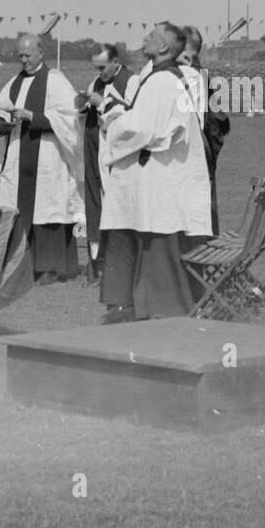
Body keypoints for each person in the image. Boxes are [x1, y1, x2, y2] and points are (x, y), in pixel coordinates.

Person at [98, 22, 211, 323]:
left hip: (156, 175)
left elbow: (143, 127)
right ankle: (129, 303)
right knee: (134, 228)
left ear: (164, 48)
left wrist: (112, 121)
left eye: (151, 36)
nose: (144, 38)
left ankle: (154, 306)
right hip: (150, 174)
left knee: (149, 233)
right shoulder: (162, 77)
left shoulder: (164, 81)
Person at [0, 33, 85, 284]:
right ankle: (20, 265)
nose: (23, 60)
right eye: (20, 56)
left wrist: (33, 117)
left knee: (48, 208)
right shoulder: (14, 82)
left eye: (27, 55)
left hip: (47, 155)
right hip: (19, 154)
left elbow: (71, 119)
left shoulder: (55, 81)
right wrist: (3, 122)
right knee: (19, 208)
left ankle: (50, 266)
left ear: (40, 53)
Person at [81, 44, 134, 276]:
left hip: (117, 153)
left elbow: (132, 115)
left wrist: (103, 103)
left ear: (115, 61)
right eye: (96, 68)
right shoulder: (95, 83)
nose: (100, 73)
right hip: (94, 148)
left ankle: (120, 260)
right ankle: (96, 261)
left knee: (117, 202)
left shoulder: (131, 81)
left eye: (103, 67)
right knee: (95, 202)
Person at [178, 26, 230, 234]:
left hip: (195, 150)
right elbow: (222, 122)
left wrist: (205, 148)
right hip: (205, 148)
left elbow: (219, 121)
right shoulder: (205, 76)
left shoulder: (192, 75)